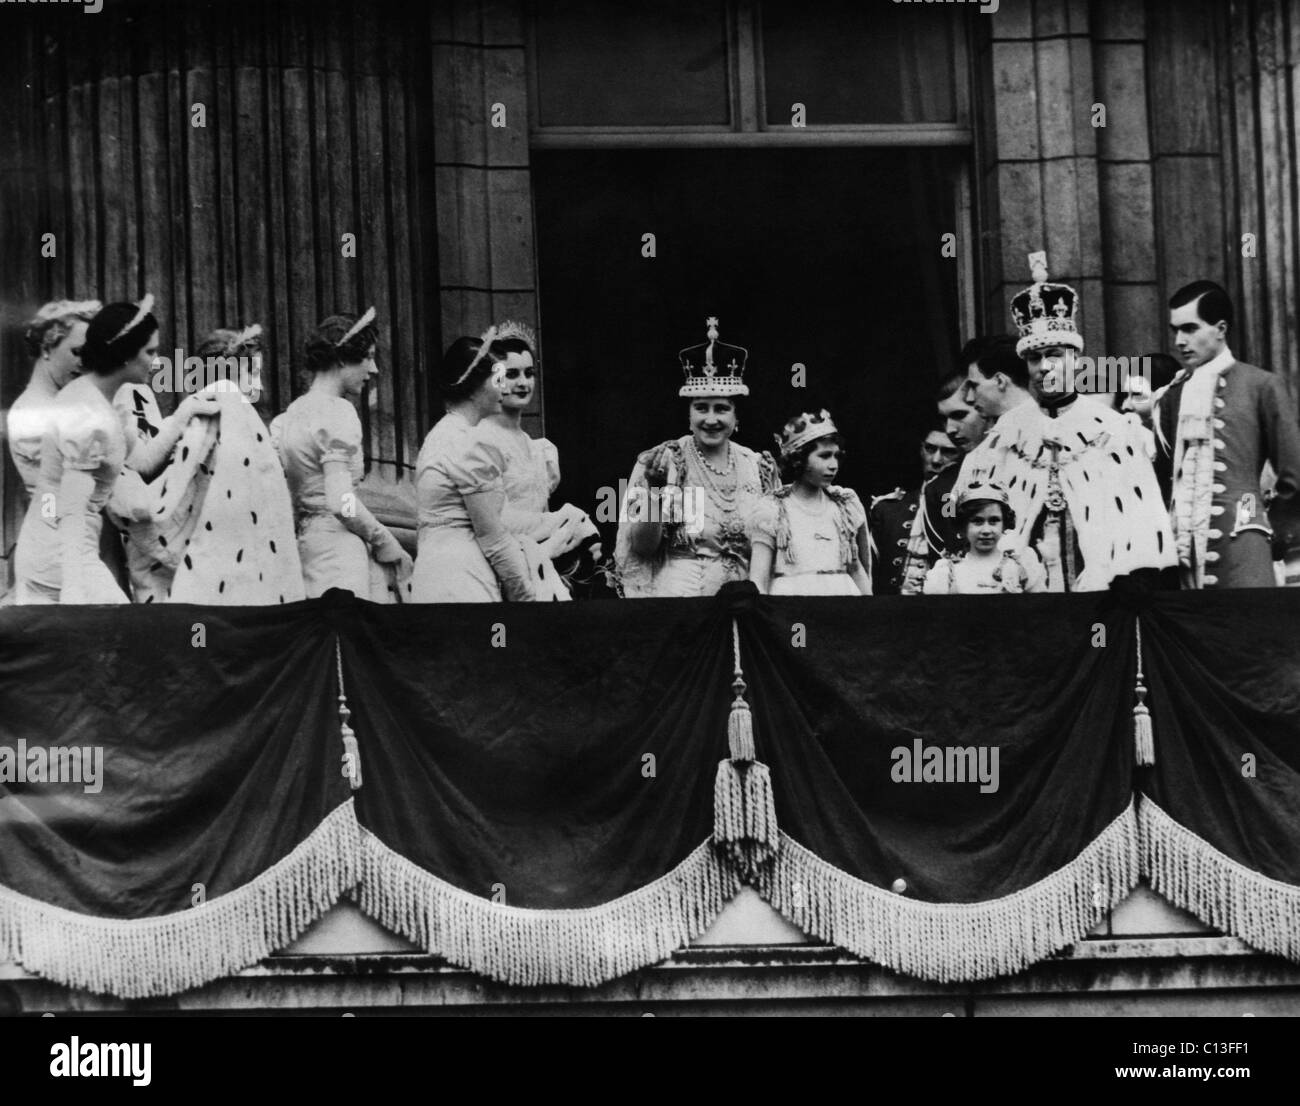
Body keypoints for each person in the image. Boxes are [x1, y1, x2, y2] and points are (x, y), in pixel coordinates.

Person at [956, 253, 1176, 591]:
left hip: (1100, 593)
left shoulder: (1114, 430)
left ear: (1076, 360)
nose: (1044, 367)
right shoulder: (1003, 437)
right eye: (1033, 358)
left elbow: (1141, 526)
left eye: (1054, 355)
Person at [614, 317, 778, 597]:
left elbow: (772, 547)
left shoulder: (757, 466)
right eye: (701, 408)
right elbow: (641, 548)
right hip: (681, 603)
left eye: (721, 408)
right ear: (688, 415)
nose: (711, 419)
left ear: (736, 416)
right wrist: (655, 493)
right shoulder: (661, 460)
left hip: (743, 605)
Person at [1152, 281, 1300, 589]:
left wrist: (1266, 530)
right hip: (1179, 551)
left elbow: (1293, 475)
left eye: (1190, 329)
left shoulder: (1261, 385)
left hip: (1241, 548)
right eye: (1175, 330)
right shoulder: (1172, 396)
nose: (1180, 341)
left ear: (1220, 328)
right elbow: (1163, 479)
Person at [13, 298, 157, 603]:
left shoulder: (97, 399)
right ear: (126, 355)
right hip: (62, 551)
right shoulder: (86, 413)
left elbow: (136, 458)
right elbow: (67, 506)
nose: (157, 362)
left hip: (69, 544)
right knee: (120, 634)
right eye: (151, 352)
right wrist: (74, 589)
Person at [271, 309, 412, 600]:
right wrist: (383, 538)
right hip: (339, 552)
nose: (374, 369)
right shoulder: (338, 413)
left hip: (305, 548)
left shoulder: (289, 416)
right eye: (368, 357)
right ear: (340, 359)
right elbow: (340, 502)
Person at [474, 322, 600, 601]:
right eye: (512, 374)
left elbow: (539, 508)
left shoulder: (541, 449)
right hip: (501, 566)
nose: (523, 383)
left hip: (540, 564)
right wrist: (562, 522)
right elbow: (495, 518)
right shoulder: (482, 440)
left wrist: (566, 541)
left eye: (529, 373)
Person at [411, 331, 538, 602]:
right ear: (474, 385)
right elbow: (493, 537)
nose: (505, 388)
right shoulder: (470, 443)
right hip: (464, 578)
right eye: (498, 379)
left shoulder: (441, 434)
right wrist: (527, 599)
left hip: (432, 573)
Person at [748, 410, 872, 596]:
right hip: (792, 608)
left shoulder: (843, 505)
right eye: (824, 456)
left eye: (836, 456)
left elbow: (855, 569)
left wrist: (870, 611)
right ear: (799, 459)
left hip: (843, 605)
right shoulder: (773, 508)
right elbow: (758, 579)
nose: (833, 465)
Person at [897, 363, 992, 593]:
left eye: (959, 415)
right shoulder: (943, 489)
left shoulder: (1027, 460)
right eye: (945, 419)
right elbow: (950, 538)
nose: (950, 429)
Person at [7, 299, 101, 499]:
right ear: (47, 349)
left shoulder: (63, 404)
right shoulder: (30, 413)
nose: (84, 363)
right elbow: (49, 499)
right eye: (77, 352)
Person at [868, 426, 958, 595]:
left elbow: (950, 523)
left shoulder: (957, 507)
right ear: (921, 450)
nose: (937, 460)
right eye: (930, 449)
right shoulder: (888, 508)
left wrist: (946, 488)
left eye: (949, 452)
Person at [923, 483, 1048, 594]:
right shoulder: (946, 572)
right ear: (963, 526)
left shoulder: (1020, 567)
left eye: (994, 521)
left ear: (1004, 524)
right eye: (977, 521)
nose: (986, 530)